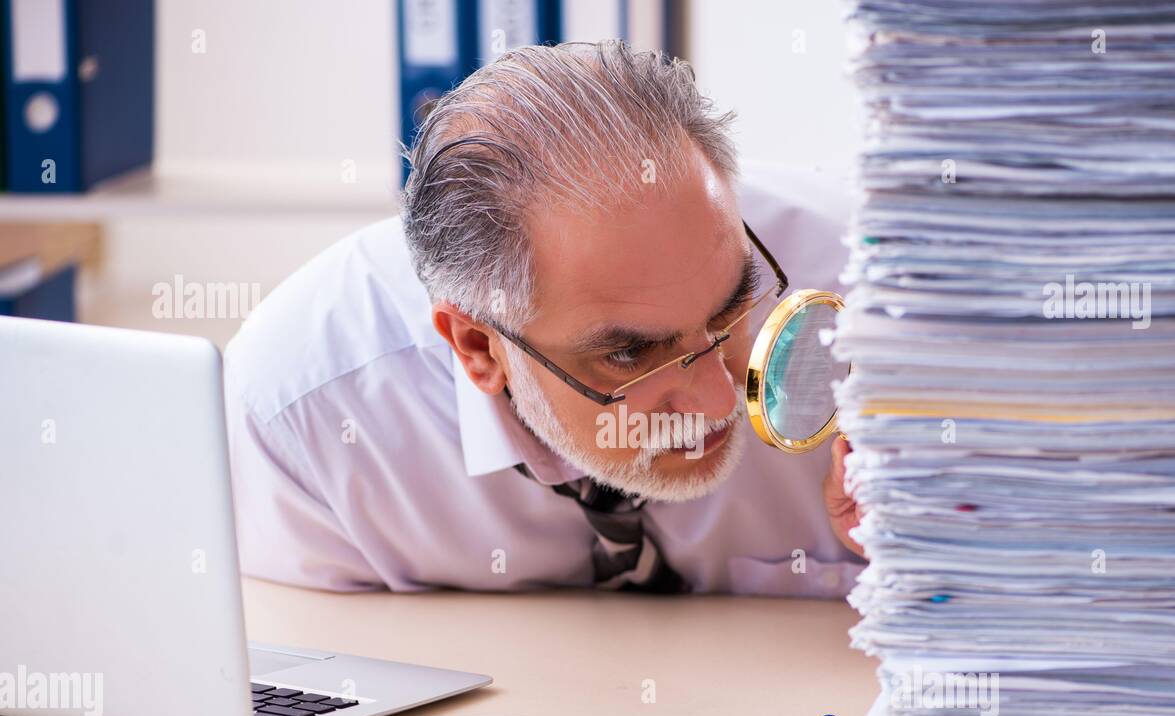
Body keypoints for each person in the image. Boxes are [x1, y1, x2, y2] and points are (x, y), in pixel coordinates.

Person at [223, 40, 864, 596]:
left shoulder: (887, 292)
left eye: (731, 310)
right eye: (628, 355)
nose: (720, 399)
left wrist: (932, 568)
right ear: (477, 346)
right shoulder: (299, 414)